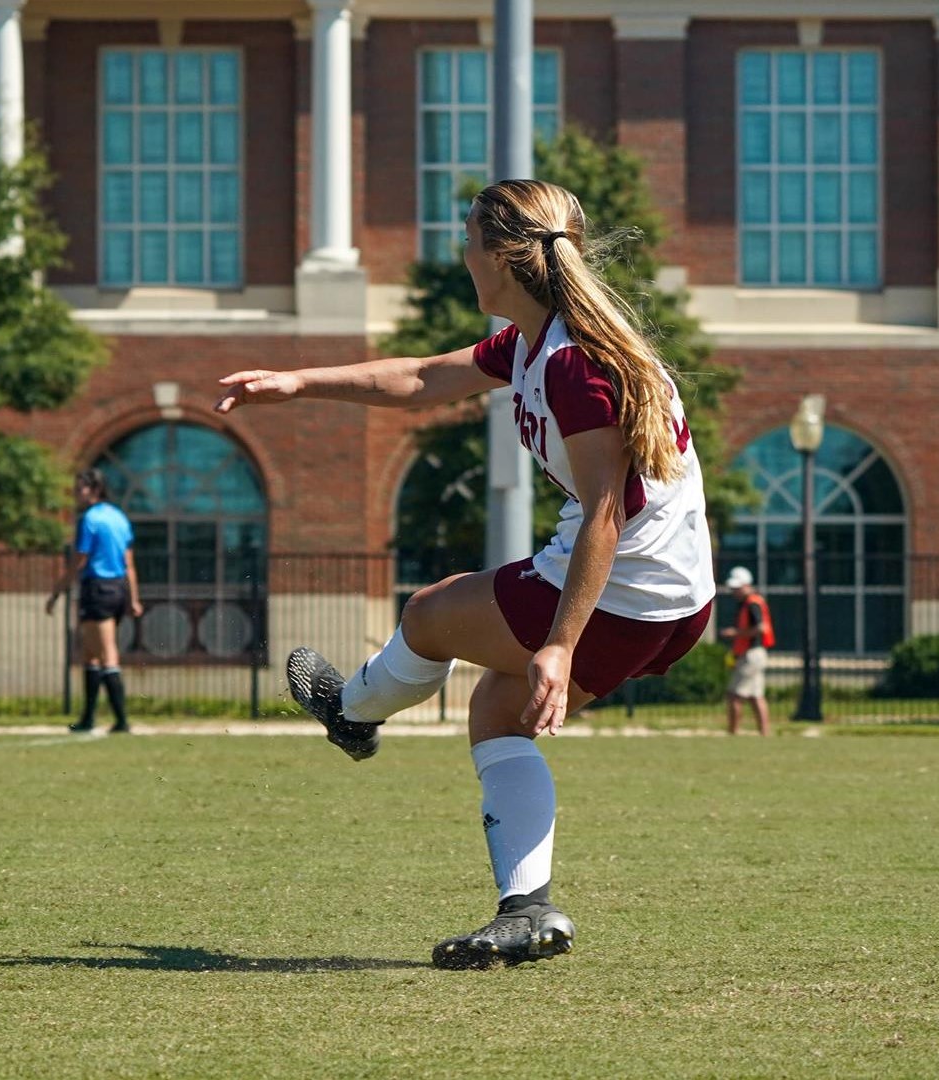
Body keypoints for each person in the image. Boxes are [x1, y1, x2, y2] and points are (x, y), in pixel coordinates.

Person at [214, 179, 715, 969]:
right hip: (674, 599)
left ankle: (351, 712)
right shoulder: (539, 341)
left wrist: (558, 645)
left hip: (622, 590)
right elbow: (420, 379)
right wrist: (298, 383)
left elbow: (604, 515)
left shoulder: (570, 364)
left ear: (503, 258)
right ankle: (526, 912)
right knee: (497, 711)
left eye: (468, 237)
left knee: (429, 614)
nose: (460, 252)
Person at [45, 469, 143, 734]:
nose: (76, 495)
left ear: (95, 490)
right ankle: (88, 719)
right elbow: (129, 563)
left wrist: (56, 592)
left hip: (97, 588)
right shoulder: (119, 517)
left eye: (80, 489)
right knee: (89, 654)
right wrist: (133, 598)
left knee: (107, 653)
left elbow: (79, 560)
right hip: (118, 589)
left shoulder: (89, 519)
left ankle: (122, 721)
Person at [718, 566, 774, 736]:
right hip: (754, 653)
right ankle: (765, 733)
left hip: (752, 654)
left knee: (734, 694)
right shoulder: (747, 603)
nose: (734, 591)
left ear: (747, 585)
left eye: (737, 588)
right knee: (756, 696)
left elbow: (761, 628)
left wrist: (735, 633)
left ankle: (732, 733)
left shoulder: (752, 604)